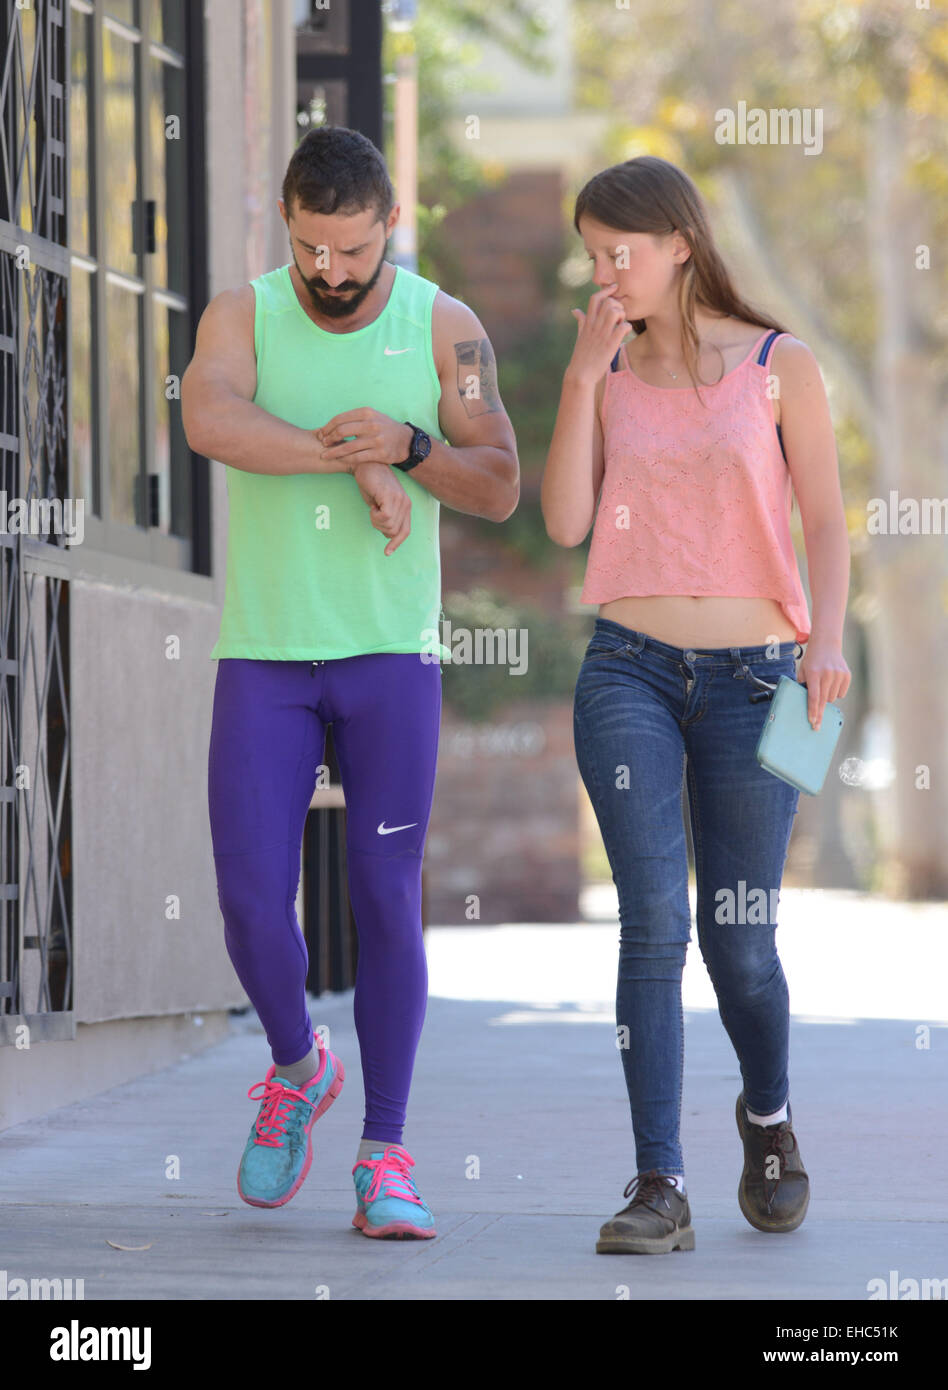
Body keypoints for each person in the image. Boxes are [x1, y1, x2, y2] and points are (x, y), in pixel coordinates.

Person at [181, 125, 518, 1240]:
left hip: (389, 659)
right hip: (265, 652)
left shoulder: (446, 329)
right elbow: (210, 418)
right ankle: (296, 1063)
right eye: (310, 247)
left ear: (389, 230)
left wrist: (410, 449)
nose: (329, 272)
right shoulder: (242, 313)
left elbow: (499, 482)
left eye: (352, 251)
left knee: (385, 899)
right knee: (245, 896)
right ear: (289, 225)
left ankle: (386, 1154)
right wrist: (355, 458)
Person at [541, 155, 851, 1254]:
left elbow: (823, 518)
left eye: (618, 252)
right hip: (627, 666)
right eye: (592, 256)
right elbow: (568, 524)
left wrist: (828, 643)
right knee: (655, 922)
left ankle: (766, 1118)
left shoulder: (780, 365)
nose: (605, 273)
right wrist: (580, 381)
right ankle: (657, 1182)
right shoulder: (609, 371)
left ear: (679, 243)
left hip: (760, 679)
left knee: (743, 942)